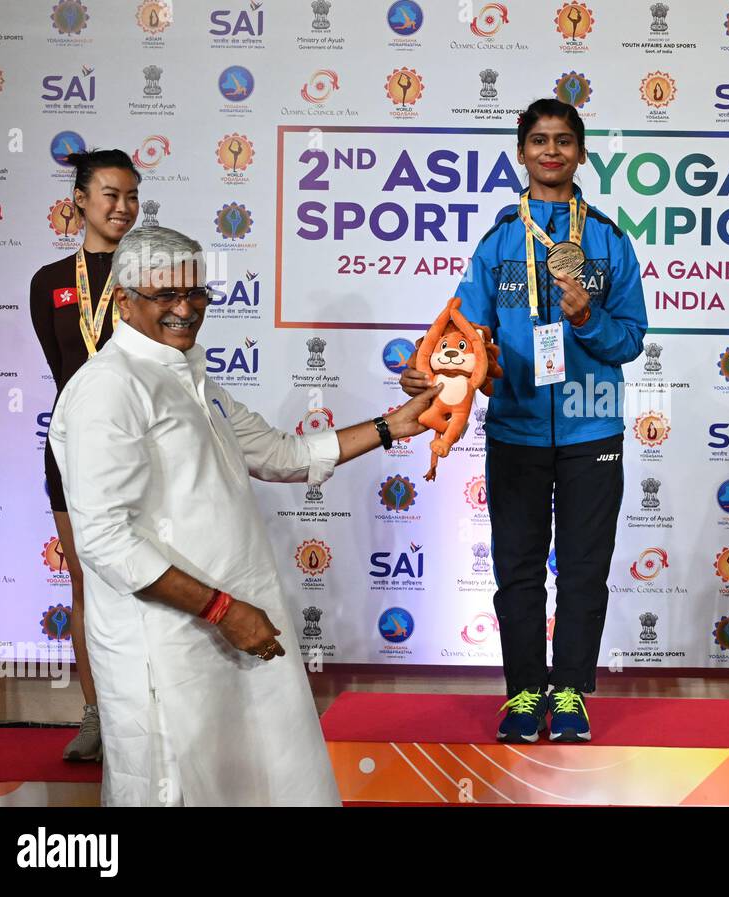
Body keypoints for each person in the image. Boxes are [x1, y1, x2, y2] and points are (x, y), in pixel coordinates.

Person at [49, 226, 441, 806]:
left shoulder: (192, 376)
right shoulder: (108, 390)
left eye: (197, 293)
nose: (186, 309)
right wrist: (221, 609)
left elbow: (285, 454)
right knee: (173, 788)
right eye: (166, 296)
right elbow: (105, 541)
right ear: (124, 299)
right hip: (165, 644)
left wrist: (392, 426)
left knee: (257, 782)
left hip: (233, 627)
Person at [401, 98, 648, 743]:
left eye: (564, 140)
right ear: (522, 153)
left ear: (582, 153)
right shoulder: (498, 241)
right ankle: (522, 694)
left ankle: (569, 691)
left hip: (592, 425)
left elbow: (629, 342)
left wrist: (589, 316)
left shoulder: (608, 238)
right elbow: (466, 334)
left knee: (585, 567)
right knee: (517, 568)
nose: (551, 151)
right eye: (539, 140)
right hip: (515, 427)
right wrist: (434, 371)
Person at [28, 149, 141, 762]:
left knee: (147, 578)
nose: (122, 207)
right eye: (110, 195)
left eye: (130, 196)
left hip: (143, 452)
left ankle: (144, 716)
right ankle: (96, 717)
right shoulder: (49, 282)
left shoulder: (150, 273)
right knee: (85, 584)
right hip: (72, 453)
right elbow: (63, 369)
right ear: (80, 199)